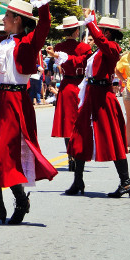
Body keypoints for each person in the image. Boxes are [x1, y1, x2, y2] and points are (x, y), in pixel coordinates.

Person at [0, 0, 58, 226]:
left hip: (16, 100)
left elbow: (45, 24)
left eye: (9, 16)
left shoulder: (30, 41)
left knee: (7, 156)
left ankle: (20, 200)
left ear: (18, 20)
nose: (5, 19)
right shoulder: (0, 43)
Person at [63, 14, 130, 198]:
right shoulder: (99, 51)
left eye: (101, 31)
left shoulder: (111, 48)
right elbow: (82, 63)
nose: (96, 35)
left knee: (113, 139)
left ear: (107, 32)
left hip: (103, 98)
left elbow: (101, 41)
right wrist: (61, 57)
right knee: (80, 135)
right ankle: (78, 181)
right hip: (92, 95)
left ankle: (125, 181)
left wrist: (91, 23)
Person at [50, 17, 92, 172]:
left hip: (67, 85)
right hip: (80, 85)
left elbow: (60, 66)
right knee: (80, 123)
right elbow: (87, 64)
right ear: (76, 31)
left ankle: (71, 156)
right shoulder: (84, 47)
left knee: (68, 124)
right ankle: (78, 155)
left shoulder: (59, 47)